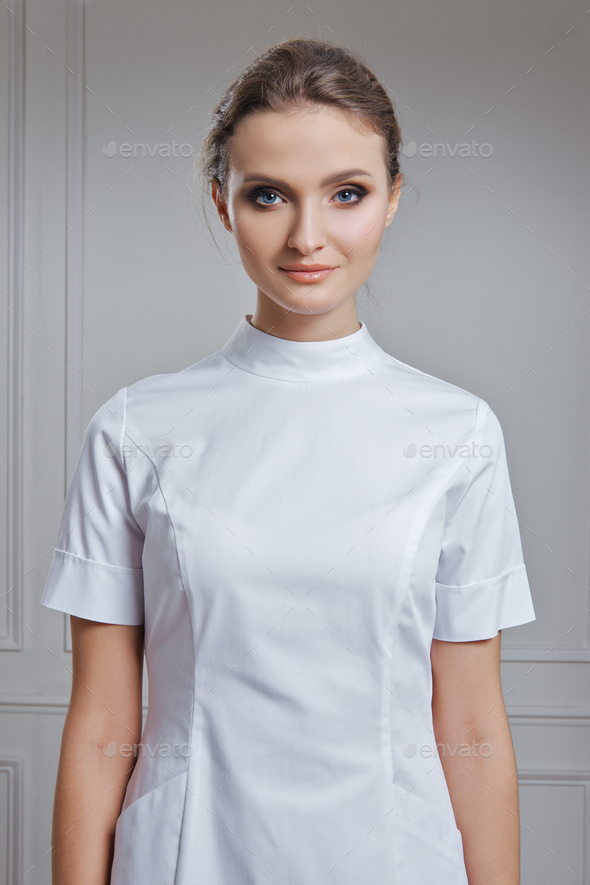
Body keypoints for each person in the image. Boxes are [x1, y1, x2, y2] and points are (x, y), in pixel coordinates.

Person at [41, 36, 536, 885]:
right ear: (223, 203)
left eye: (347, 193)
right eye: (269, 194)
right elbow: (100, 726)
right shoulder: (135, 428)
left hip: (395, 858)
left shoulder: (460, 432)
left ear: (392, 200)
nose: (309, 236)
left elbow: (473, 723)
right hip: (185, 858)